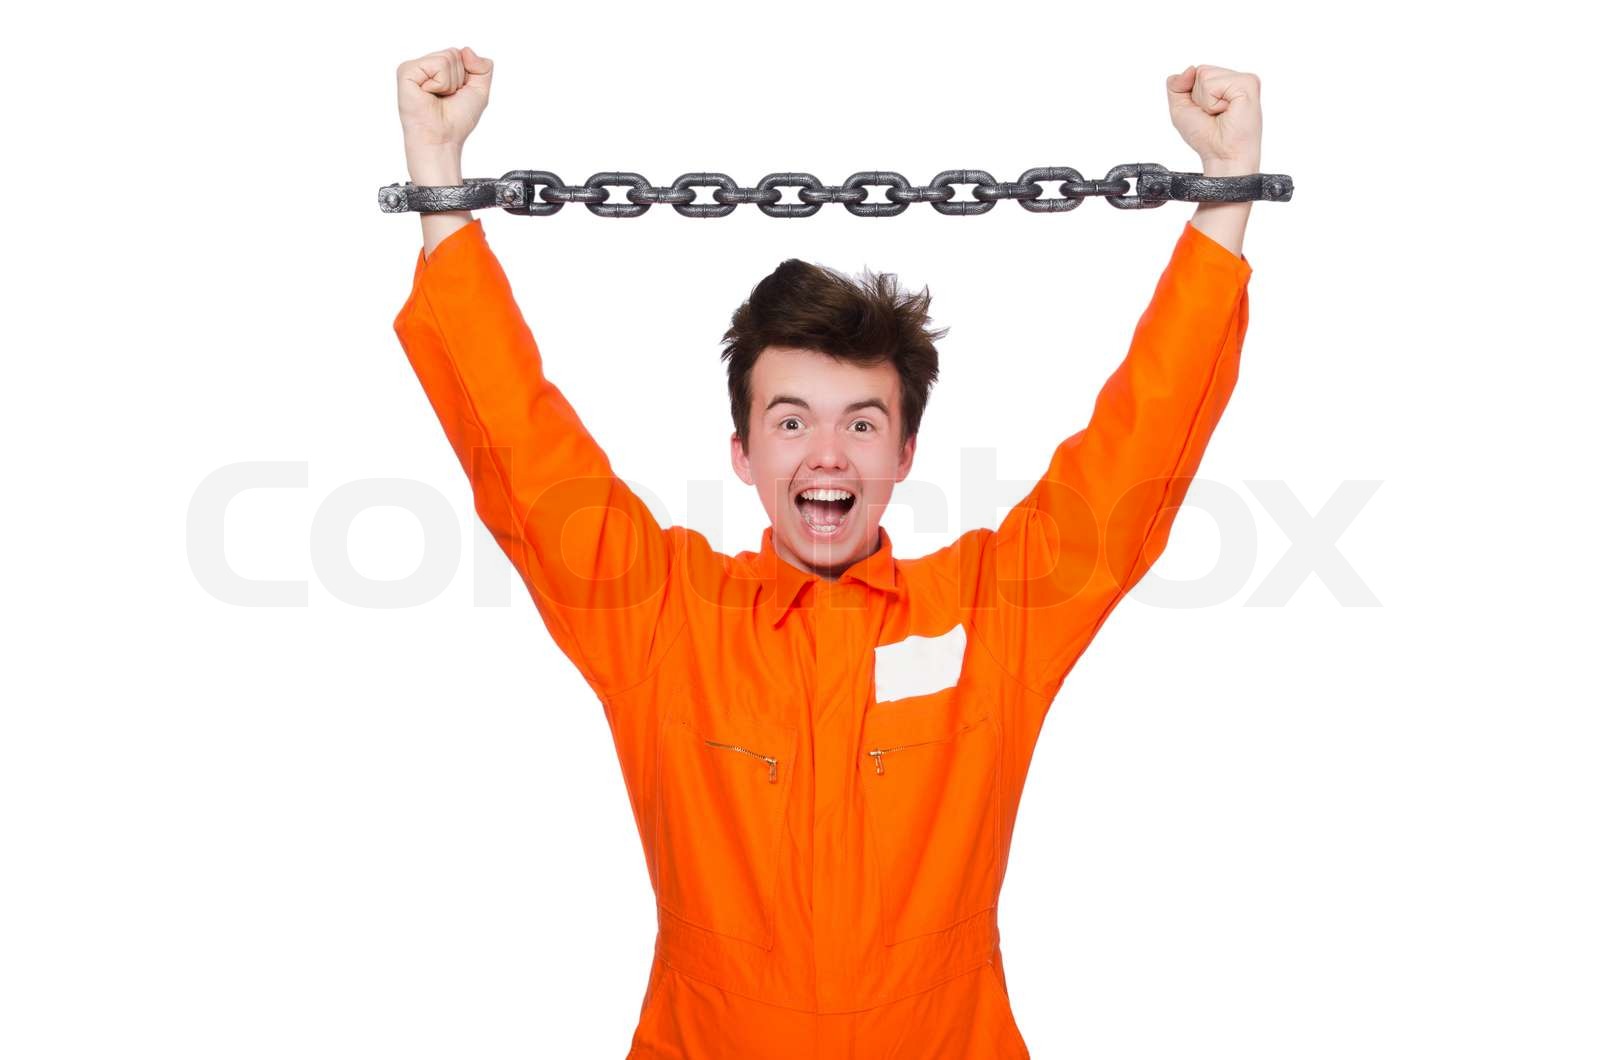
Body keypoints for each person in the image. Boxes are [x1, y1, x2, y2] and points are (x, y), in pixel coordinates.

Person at [392, 46, 1259, 1059]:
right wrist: (438, 179)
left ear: (905, 452)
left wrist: (1224, 194)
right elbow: (521, 448)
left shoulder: (991, 616)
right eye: (792, 420)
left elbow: (1136, 454)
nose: (827, 456)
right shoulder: (662, 616)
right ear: (743, 451)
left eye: (862, 422)